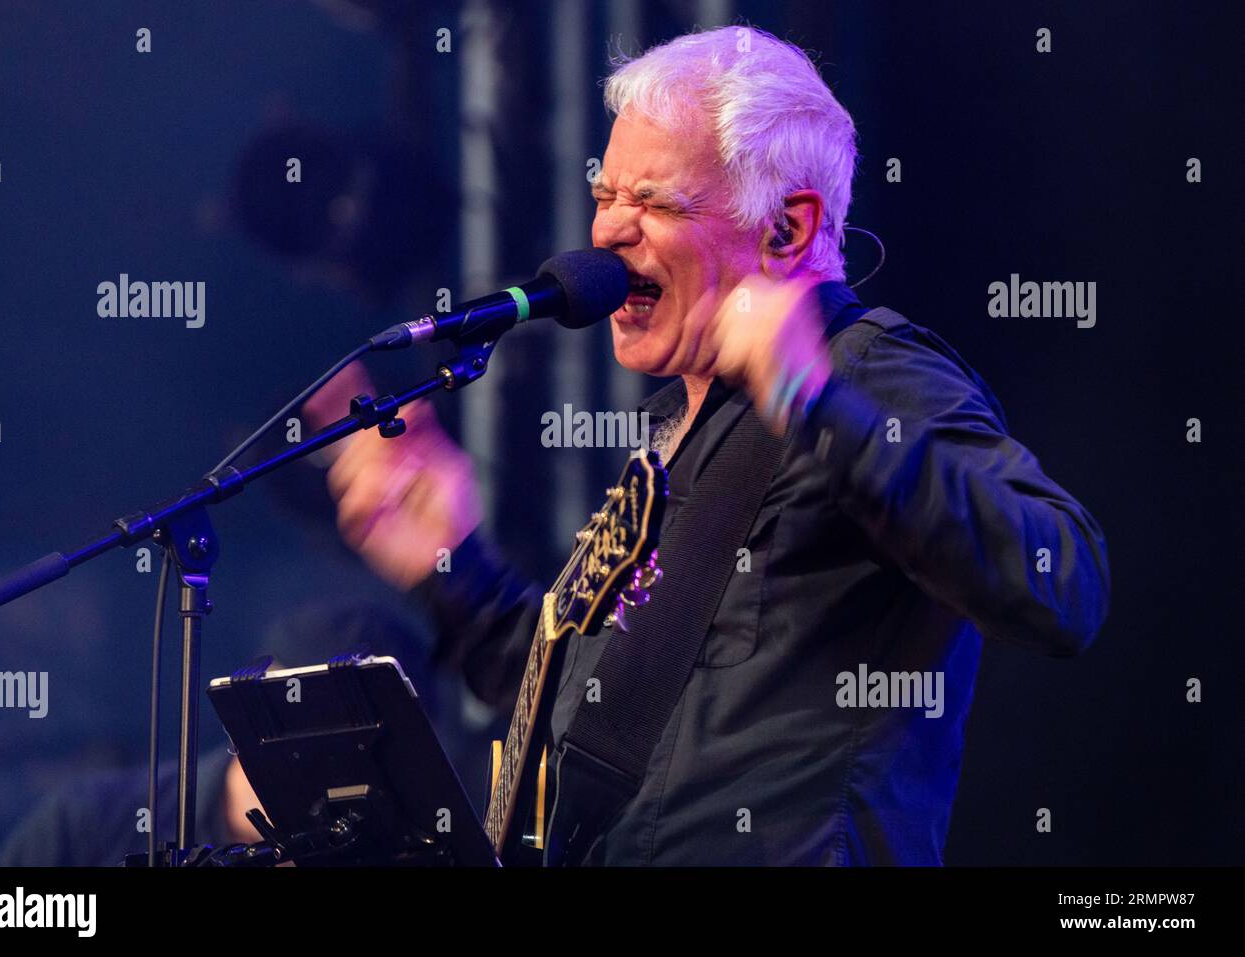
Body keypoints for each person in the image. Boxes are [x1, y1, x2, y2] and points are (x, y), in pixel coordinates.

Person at [308, 26, 1110, 865]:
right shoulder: (679, 432)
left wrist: (812, 400)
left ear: (786, 232)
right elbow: (598, 724)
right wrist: (453, 569)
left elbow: (1064, 582)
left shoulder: (872, 373)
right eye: (605, 193)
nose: (607, 232)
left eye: (653, 202)